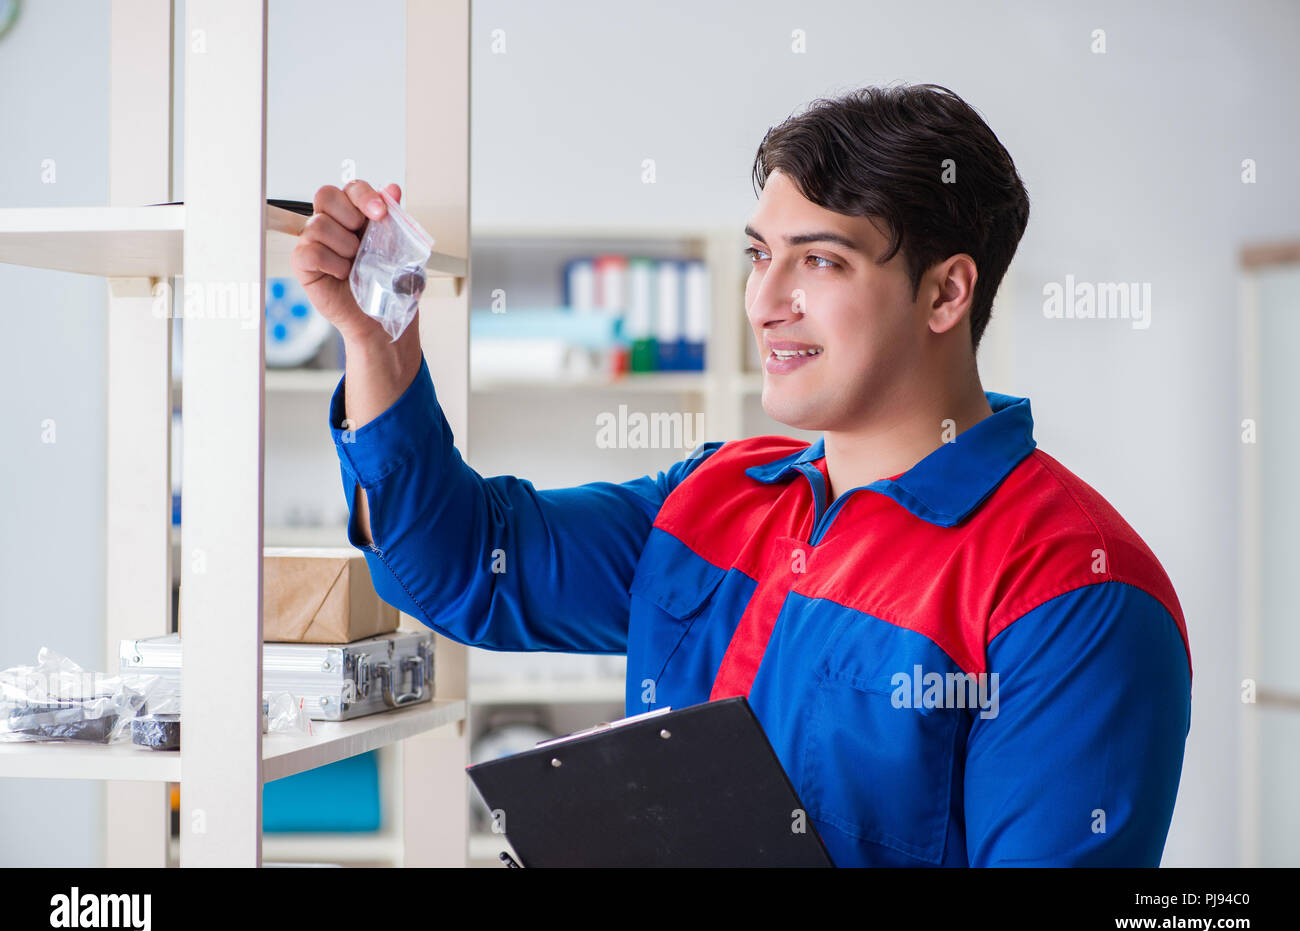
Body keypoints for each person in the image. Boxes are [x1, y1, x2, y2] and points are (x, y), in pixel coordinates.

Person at [291, 83, 1192, 867]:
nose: (764, 301)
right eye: (762, 254)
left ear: (946, 294)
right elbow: (461, 567)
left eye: (821, 259)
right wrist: (379, 341)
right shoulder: (718, 497)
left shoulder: (1074, 589)